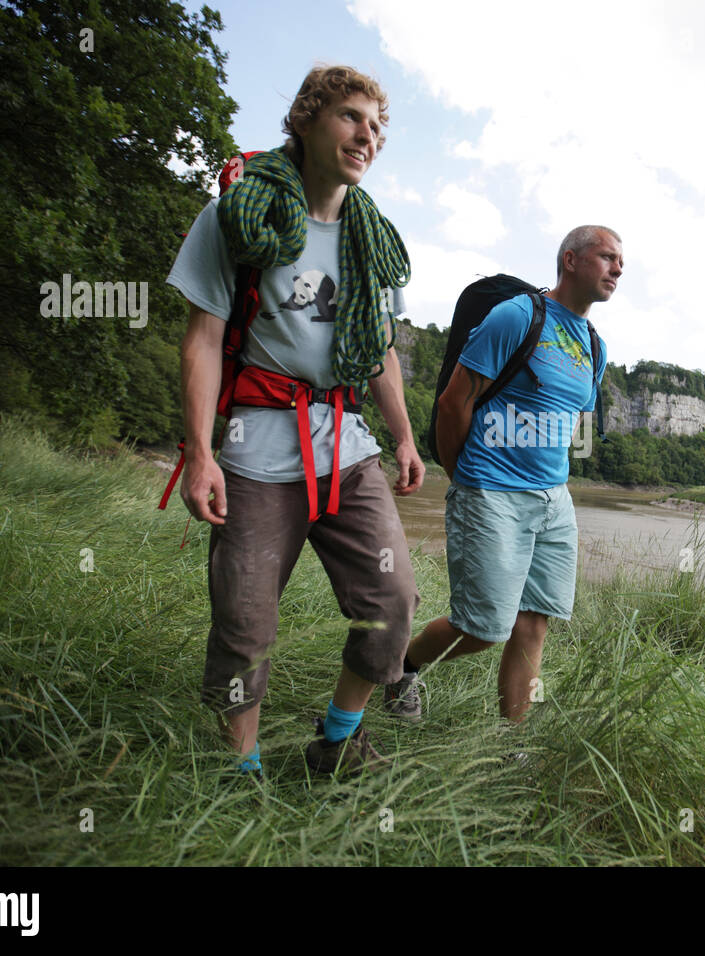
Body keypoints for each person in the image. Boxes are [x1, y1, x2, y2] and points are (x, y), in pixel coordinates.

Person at [166, 65, 423, 779]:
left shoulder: (373, 240)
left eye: (377, 125)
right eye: (349, 116)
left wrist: (402, 437)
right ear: (306, 119)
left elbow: (379, 351)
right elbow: (204, 339)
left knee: (393, 597)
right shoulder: (239, 214)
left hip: (347, 446)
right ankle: (239, 772)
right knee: (244, 620)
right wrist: (199, 455)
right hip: (256, 447)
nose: (366, 135)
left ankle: (337, 738)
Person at [386, 226, 621, 723]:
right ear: (571, 260)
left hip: (554, 500)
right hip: (491, 492)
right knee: (482, 628)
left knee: (534, 624)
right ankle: (400, 666)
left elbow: (569, 426)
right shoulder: (517, 317)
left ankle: (511, 744)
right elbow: (454, 403)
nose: (618, 268)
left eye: (621, 261)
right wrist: (465, 477)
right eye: (607, 257)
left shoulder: (595, 347)